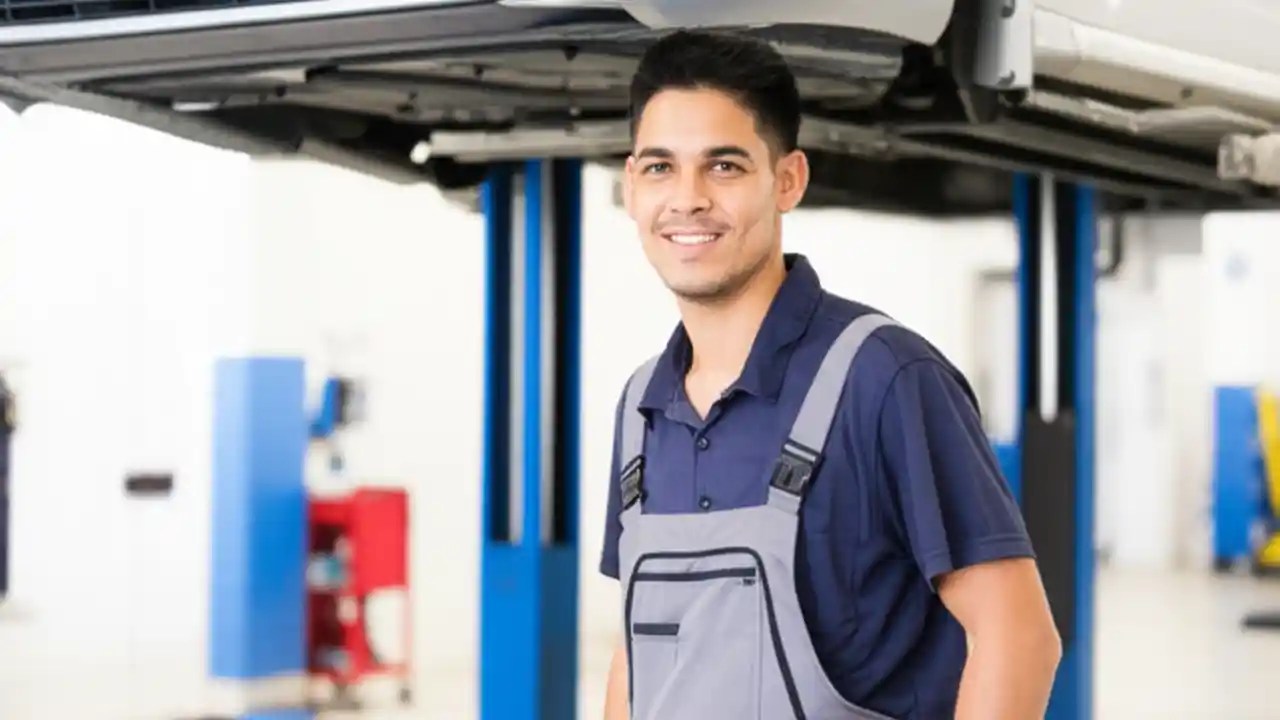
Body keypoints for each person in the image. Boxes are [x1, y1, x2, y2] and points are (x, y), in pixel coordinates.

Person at [598, 29, 1062, 720]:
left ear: (788, 181)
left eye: (724, 167)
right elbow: (639, 656)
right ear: (633, 184)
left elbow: (1018, 635)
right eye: (662, 168)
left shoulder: (886, 380)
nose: (687, 199)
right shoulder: (642, 406)